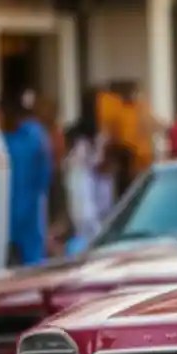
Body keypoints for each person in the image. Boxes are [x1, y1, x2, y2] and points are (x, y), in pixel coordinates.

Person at [4, 99, 53, 266]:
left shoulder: (9, 140)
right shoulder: (36, 135)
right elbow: (45, 171)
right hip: (30, 201)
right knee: (33, 253)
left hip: (16, 203)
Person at [65, 89, 114, 248]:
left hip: (96, 184)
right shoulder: (79, 135)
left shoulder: (101, 134)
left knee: (94, 222)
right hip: (83, 182)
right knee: (87, 221)